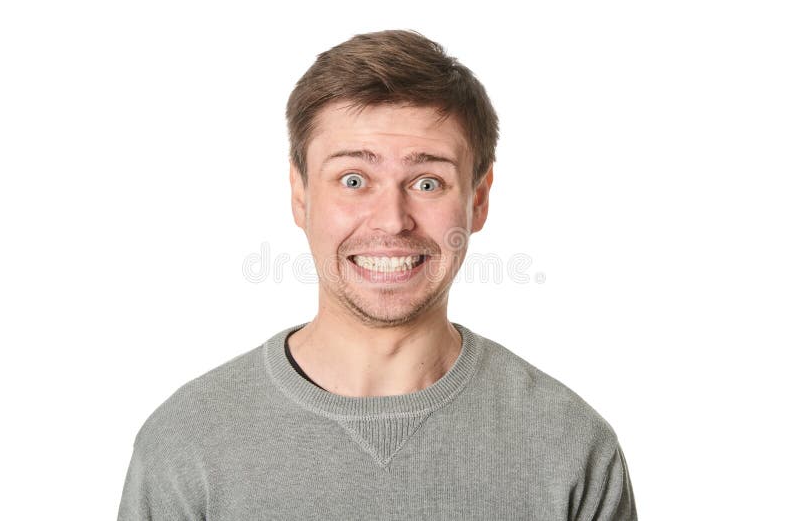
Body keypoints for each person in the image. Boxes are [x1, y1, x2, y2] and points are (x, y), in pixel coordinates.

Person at [117, 29, 638, 520]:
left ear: (478, 200)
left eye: (428, 182)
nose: (392, 219)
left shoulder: (572, 447)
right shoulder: (187, 445)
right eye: (353, 178)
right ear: (300, 195)